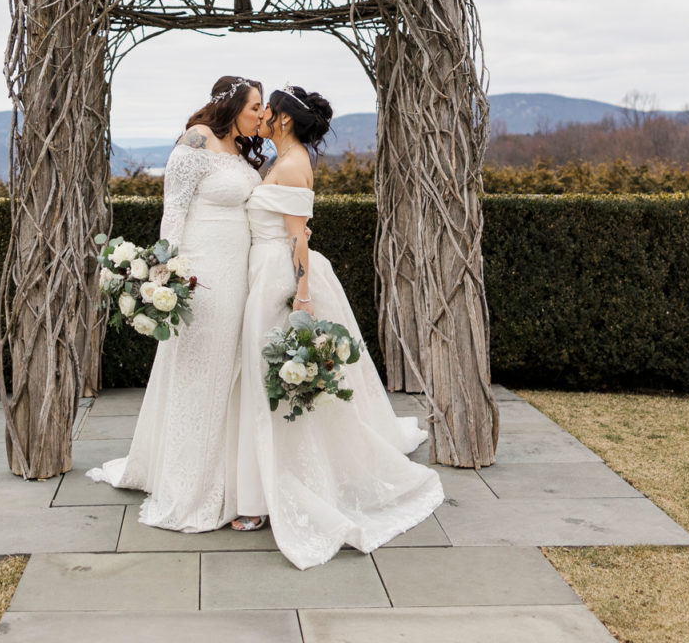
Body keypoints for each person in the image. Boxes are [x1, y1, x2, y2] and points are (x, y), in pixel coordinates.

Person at [229, 84, 445, 567]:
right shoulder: (282, 158)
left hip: (279, 279)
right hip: (264, 271)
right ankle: (259, 484)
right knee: (267, 382)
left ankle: (272, 493)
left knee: (275, 383)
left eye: (269, 110)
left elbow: (296, 242)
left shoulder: (291, 165)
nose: (262, 115)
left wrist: (301, 298)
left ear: (283, 120)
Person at [86, 76, 264, 530]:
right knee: (201, 371)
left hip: (238, 270)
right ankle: (191, 484)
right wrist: (168, 271)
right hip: (204, 272)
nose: (260, 115)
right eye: (254, 107)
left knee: (229, 370)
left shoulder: (242, 150)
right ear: (230, 107)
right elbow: (175, 208)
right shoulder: (198, 138)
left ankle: (230, 475)